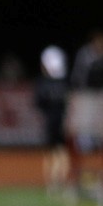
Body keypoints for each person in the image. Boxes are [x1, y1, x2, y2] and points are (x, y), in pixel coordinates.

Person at [34, 45, 70, 194]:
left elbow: (38, 102)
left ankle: (53, 182)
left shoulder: (44, 82)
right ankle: (61, 181)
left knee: (53, 151)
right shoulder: (65, 82)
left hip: (52, 120)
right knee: (61, 151)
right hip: (62, 119)